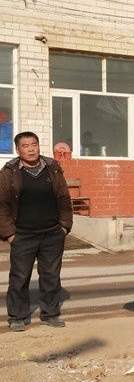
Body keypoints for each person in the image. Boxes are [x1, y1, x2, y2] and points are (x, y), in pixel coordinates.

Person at [0, 131, 73, 331]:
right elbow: (2, 205)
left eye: (34, 144)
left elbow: (64, 198)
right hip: (23, 235)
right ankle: (17, 316)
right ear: (18, 149)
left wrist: (64, 226)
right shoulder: (9, 172)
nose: (31, 149)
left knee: (51, 275)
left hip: (52, 233)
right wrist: (10, 234)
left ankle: (50, 314)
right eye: (26, 146)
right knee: (20, 277)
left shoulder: (52, 168)